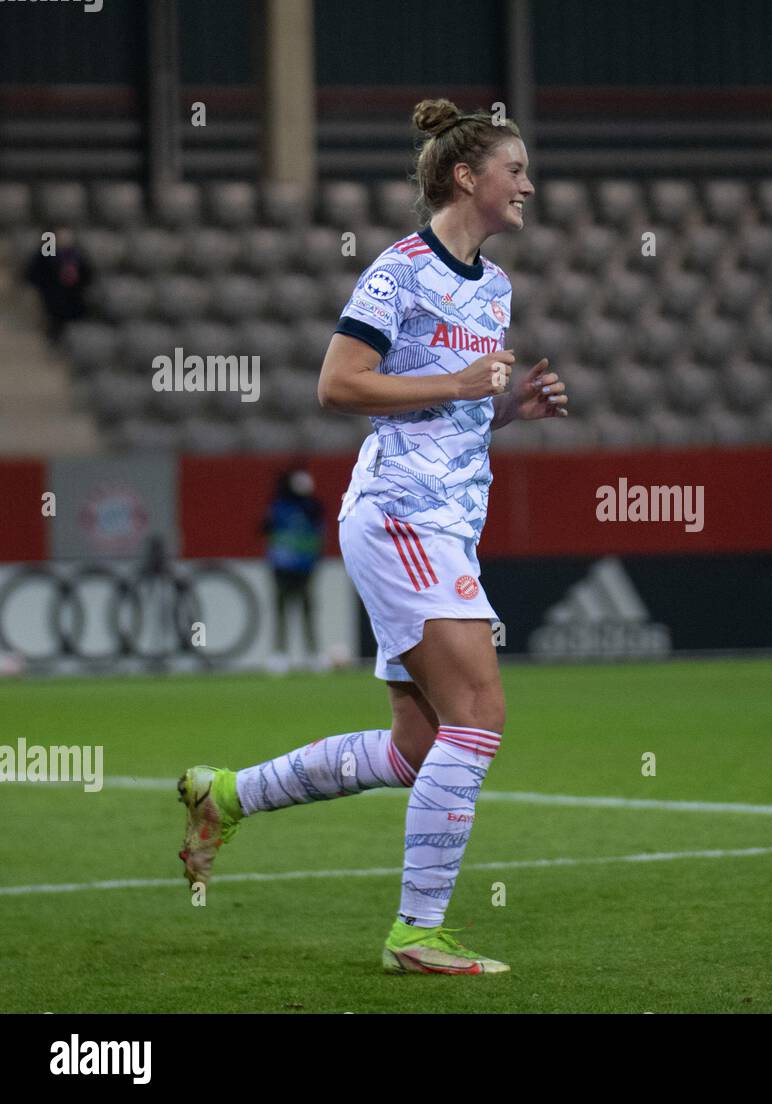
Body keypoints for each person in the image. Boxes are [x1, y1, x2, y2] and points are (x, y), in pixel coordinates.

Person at [176, 97, 567, 975]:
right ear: (469, 178)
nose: (529, 187)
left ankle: (227, 794)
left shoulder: (494, 288)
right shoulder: (396, 272)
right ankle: (416, 934)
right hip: (402, 518)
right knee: (481, 717)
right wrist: (461, 379)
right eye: (517, 171)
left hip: (442, 521)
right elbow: (338, 385)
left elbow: (448, 415)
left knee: (420, 747)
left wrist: (506, 408)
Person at [262, 467, 325, 672]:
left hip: (305, 565)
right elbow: (266, 529)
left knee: (308, 610)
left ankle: (313, 654)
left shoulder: (312, 507)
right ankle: (280, 654)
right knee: (281, 610)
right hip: (281, 566)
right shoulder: (278, 506)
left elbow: (320, 532)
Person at [24, 225, 93, 341]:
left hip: (73, 300)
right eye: (61, 236)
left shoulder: (77, 255)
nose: (65, 239)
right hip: (53, 299)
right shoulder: (47, 254)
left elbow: (87, 276)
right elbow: (35, 273)